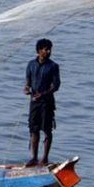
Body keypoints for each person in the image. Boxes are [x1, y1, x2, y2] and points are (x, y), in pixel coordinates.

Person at [24, 38, 61, 166]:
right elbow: (28, 81)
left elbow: (56, 86)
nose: (49, 51)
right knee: (33, 129)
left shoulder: (53, 66)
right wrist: (27, 88)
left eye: (49, 49)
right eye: (46, 49)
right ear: (39, 50)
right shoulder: (31, 64)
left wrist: (42, 94)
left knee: (47, 130)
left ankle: (44, 158)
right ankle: (34, 158)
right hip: (34, 102)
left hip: (47, 102)